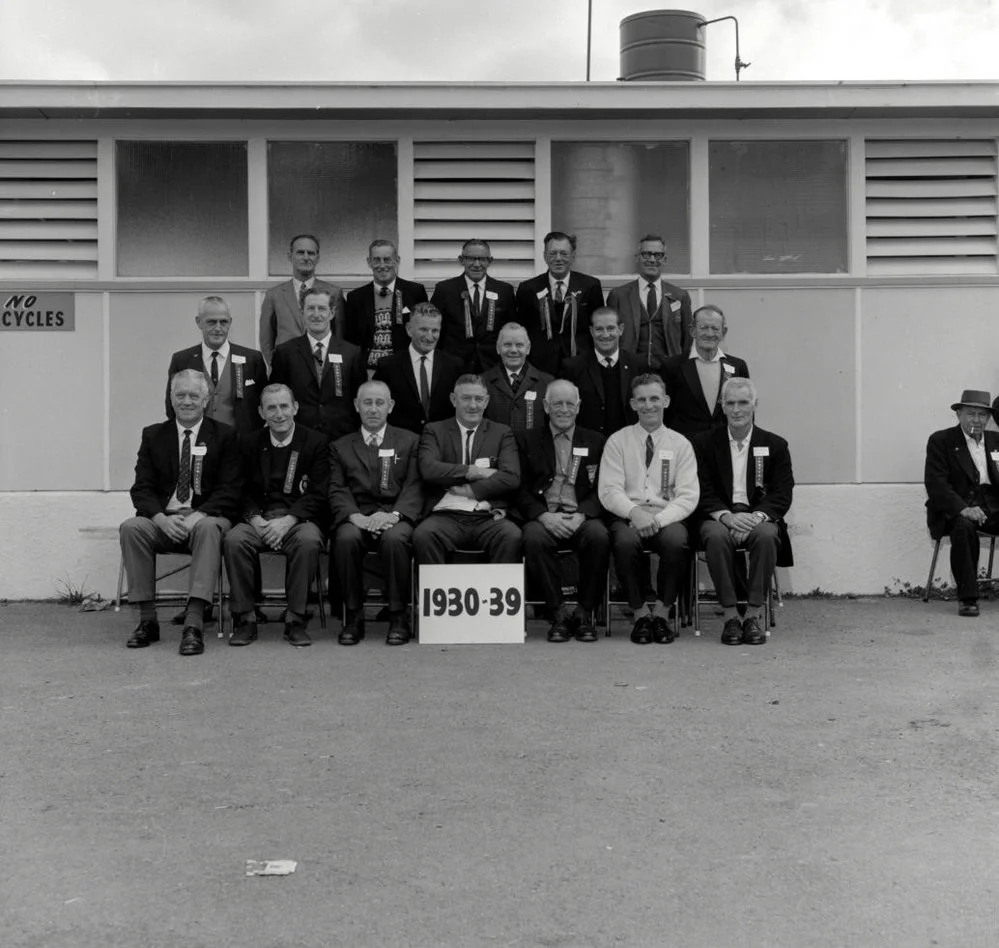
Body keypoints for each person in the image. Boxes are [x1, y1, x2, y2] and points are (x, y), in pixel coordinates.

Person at [119, 369, 242, 656]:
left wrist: (198, 516)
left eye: (194, 395)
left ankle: (194, 622)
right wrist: (161, 518)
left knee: (209, 528)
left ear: (206, 400)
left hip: (205, 517)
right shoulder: (153, 435)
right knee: (132, 527)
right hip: (165, 518)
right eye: (180, 395)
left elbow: (230, 489)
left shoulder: (224, 436)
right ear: (171, 398)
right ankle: (147, 621)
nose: (187, 401)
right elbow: (142, 488)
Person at [222, 384, 329, 648]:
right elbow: (238, 488)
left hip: (297, 520)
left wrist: (289, 520)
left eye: (284, 406)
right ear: (261, 412)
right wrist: (255, 519)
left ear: (295, 408)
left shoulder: (316, 443)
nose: (279, 414)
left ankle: (295, 619)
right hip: (258, 519)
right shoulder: (247, 443)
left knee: (308, 542)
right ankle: (245, 619)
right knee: (234, 541)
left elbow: (319, 493)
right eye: (271, 407)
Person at [598, 373, 699, 645]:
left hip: (667, 516)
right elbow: (609, 490)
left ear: (665, 401)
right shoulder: (617, 441)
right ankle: (641, 613)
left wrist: (659, 519)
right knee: (623, 541)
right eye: (641, 399)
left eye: (654, 398)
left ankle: (663, 614)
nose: (648, 405)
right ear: (632, 404)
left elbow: (688, 496)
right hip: (628, 515)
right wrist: (636, 513)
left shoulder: (681, 444)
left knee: (677, 541)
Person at [693, 378, 794, 646]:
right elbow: (701, 489)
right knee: (715, 537)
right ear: (722, 407)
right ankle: (730, 617)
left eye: (743, 403)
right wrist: (726, 517)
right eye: (730, 403)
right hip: (718, 517)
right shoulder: (703, 444)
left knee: (766, 535)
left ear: (754, 405)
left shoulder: (776, 445)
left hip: (757, 517)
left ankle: (752, 614)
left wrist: (756, 517)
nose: (737, 409)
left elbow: (782, 493)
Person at [328, 380, 423, 646]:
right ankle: (353, 617)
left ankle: (398, 616)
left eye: (379, 403)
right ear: (357, 406)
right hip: (358, 515)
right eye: (367, 403)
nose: (373, 409)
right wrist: (355, 516)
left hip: (395, 516)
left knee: (395, 540)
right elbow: (337, 488)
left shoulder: (410, 441)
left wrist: (394, 515)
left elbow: (415, 485)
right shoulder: (340, 446)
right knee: (345, 539)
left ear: (390, 406)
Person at [515, 379, 609, 643]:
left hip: (581, 515)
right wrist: (544, 516)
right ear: (545, 406)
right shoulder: (527, 440)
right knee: (532, 538)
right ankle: (558, 613)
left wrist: (583, 514)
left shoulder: (597, 441)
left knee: (599, 537)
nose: (564, 409)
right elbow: (519, 489)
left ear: (578, 407)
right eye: (557, 403)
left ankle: (583, 613)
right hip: (544, 516)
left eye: (570, 403)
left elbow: (606, 487)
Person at [413, 375, 522, 565]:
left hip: (488, 516)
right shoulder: (435, 431)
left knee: (511, 535)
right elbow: (429, 469)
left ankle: (493, 593)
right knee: (423, 535)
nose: (473, 405)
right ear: (454, 400)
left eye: (479, 399)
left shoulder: (502, 433)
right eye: (466, 398)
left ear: (486, 401)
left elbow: (511, 477)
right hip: (445, 515)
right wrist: (474, 471)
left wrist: (470, 491)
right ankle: (438, 592)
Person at [925, 389, 999, 617]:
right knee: (963, 526)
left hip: (992, 506)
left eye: (981, 415)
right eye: (970, 414)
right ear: (958, 414)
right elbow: (936, 484)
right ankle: (968, 599)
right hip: (956, 507)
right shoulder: (941, 441)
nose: (976, 420)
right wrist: (964, 508)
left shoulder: (997, 441)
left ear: (988, 418)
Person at [269, 287, 365, 442]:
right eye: (310, 309)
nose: (316, 314)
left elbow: (358, 399)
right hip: (299, 437)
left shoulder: (352, 353)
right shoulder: (285, 352)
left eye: (322, 308)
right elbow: (276, 397)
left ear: (332, 313)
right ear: (302, 313)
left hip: (342, 438)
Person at [166, 295, 268, 434]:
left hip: (240, 445)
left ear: (230, 322)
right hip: (199, 444)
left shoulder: (252, 359)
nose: (218, 328)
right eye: (212, 322)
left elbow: (264, 404)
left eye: (223, 322)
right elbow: (172, 406)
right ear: (199, 322)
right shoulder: (182, 360)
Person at [514, 231, 604, 375]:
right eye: (552, 253)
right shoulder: (528, 288)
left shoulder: (590, 286)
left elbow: (598, 326)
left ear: (573, 256)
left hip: (581, 364)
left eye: (564, 253)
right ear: (544, 256)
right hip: (540, 366)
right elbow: (521, 330)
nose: (558, 259)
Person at [373, 302, 464, 435]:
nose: (429, 337)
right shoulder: (388, 366)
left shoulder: (454, 365)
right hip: (402, 444)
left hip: (443, 443)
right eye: (423, 329)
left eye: (435, 331)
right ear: (409, 329)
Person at [661, 305, 749, 439]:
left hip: (724, 446)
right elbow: (664, 412)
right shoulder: (672, 366)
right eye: (703, 328)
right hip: (686, 447)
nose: (709, 334)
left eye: (715, 328)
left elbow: (746, 409)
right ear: (692, 331)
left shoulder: (738, 366)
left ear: (723, 332)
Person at [606, 234, 692, 370]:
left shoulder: (680, 296)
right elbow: (609, 336)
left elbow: (687, 339)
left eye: (658, 255)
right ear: (637, 258)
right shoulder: (618, 295)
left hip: (669, 371)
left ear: (665, 260)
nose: (652, 260)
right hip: (629, 370)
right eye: (646, 254)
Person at [430, 239, 516, 373]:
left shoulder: (504, 291)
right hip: (454, 367)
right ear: (461, 260)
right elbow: (435, 330)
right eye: (471, 258)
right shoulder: (445, 290)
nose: (477, 264)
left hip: (493, 367)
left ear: (490, 261)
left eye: (482, 259)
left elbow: (510, 331)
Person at [561, 307, 647, 437]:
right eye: (599, 329)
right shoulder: (573, 367)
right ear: (591, 331)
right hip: (588, 444)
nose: (606, 334)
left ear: (621, 329)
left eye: (611, 328)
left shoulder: (638, 364)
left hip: (629, 443)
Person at [259, 234, 344, 366]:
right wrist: (276, 365)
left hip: (323, 367)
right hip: (286, 367)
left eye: (310, 253)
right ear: (290, 256)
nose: (306, 257)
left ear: (318, 257)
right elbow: (266, 339)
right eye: (300, 252)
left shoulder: (334, 293)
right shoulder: (273, 295)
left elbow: (340, 336)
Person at [343, 239, 428, 370]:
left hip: (404, 368)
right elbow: (350, 340)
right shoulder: (355, 297)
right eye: (376, 260)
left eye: (387, 259)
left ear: (397, 260)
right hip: (369, 370)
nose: (382, 265)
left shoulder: (415, 292)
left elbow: (424, 330)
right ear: (369, 262)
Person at [480, 322, 553, 433]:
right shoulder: (482, 383)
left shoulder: (547, 383)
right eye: (507, 345)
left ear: (528, 349)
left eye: (519, 345)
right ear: (498, 348)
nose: (513, 350)